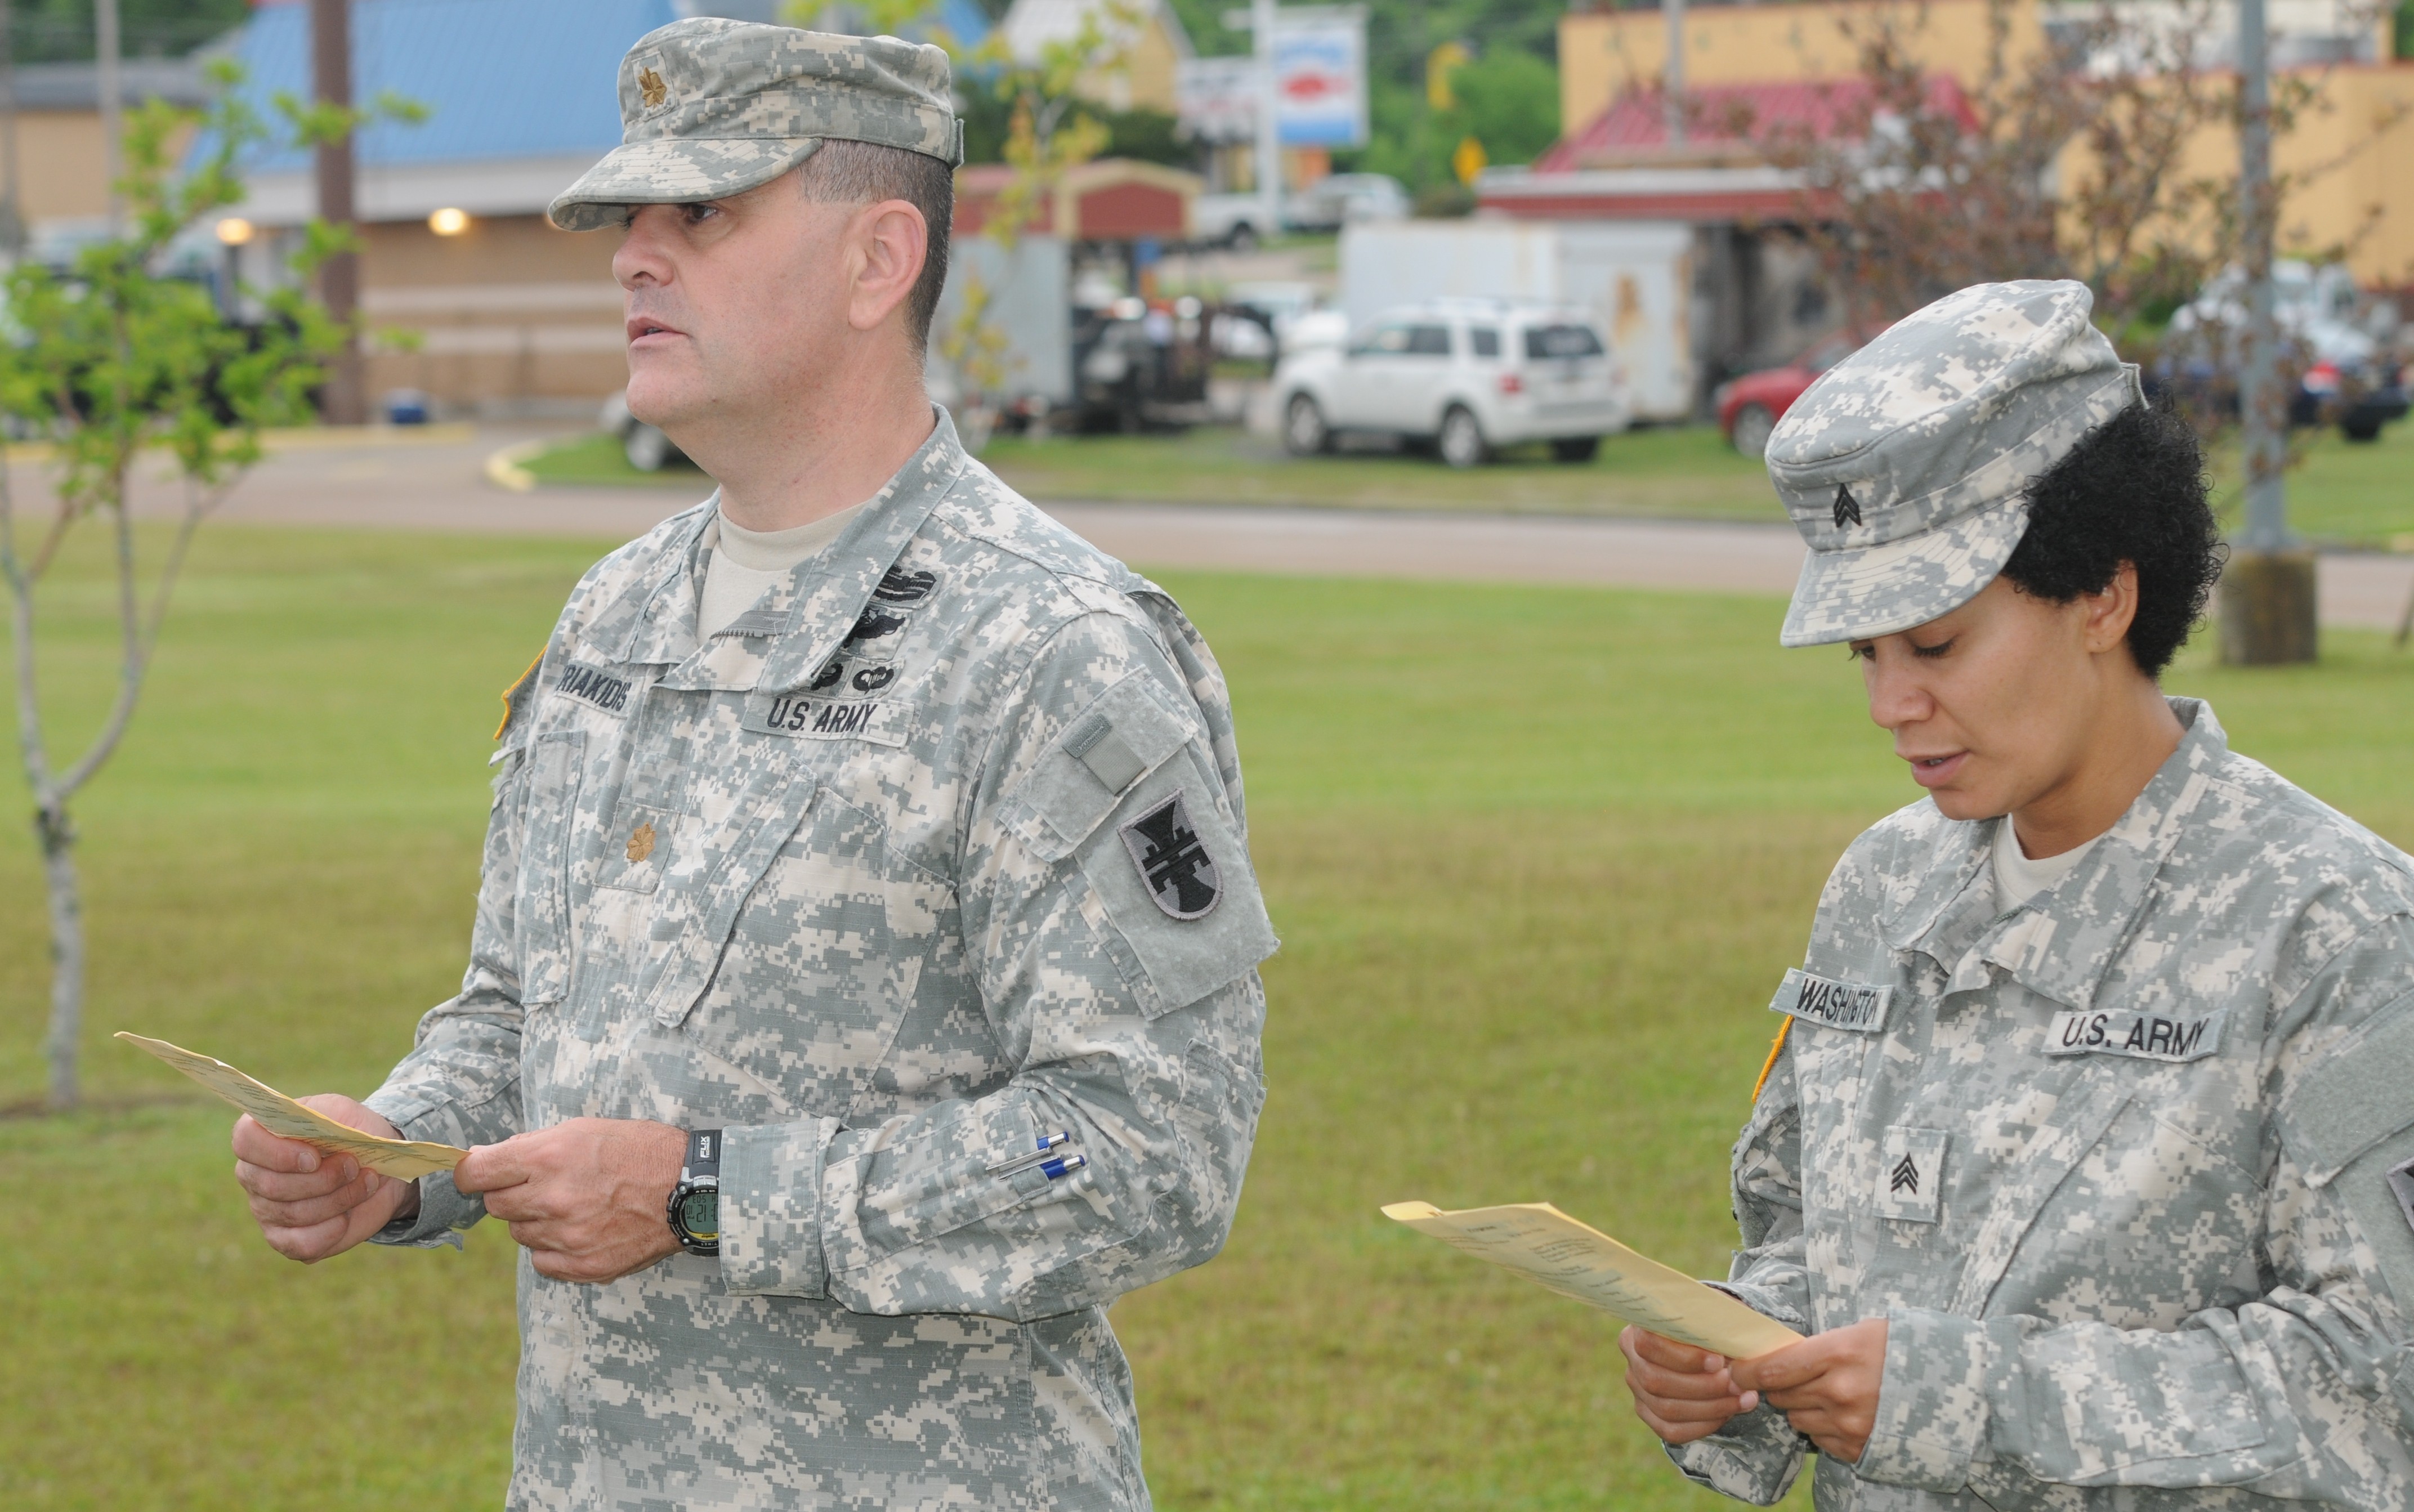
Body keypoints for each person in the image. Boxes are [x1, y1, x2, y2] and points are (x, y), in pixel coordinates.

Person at [227, 20, 1276, 1510]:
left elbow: (1146, 1150)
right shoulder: (614, 612)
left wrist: (705, 1188)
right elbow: (529, 1007)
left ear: (878, 258)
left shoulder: (1049, 651)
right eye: (626, 223)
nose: (634, 259)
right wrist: (399, 1145)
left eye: (701, 214)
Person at [1619, 279, 2414, 1507]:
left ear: (2103, 588)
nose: (1890, 707)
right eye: (1864, 657)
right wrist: (1738, 1354)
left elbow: (2372, 1382)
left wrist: (1968, 1401)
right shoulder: (1882, 884)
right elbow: (1797, 1231)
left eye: (1934, 644)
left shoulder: (2335, 925)